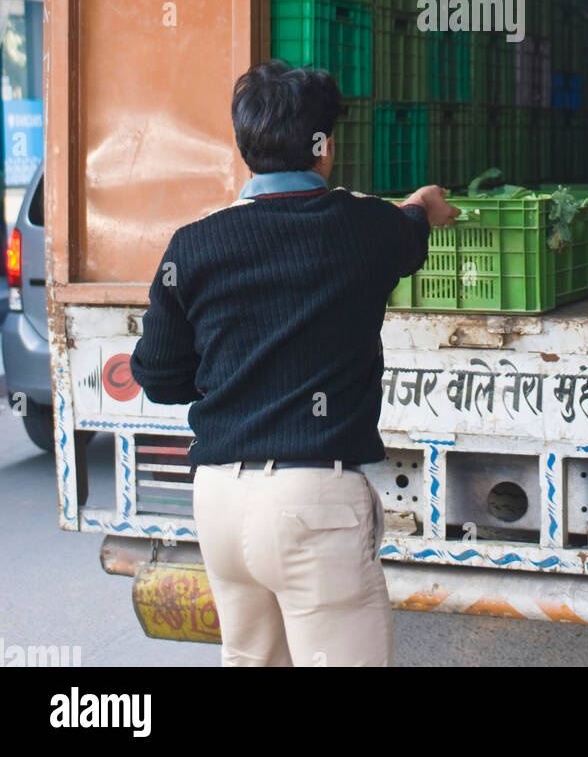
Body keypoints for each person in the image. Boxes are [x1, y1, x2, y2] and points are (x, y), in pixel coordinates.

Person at [129, 60, 459, 668]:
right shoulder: (364, 226)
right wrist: (423, 206)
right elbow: (408, 233)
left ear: (244, 144)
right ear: (325, 146)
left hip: (219, 502)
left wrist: (235, 367)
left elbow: (158, 377)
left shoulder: (192, 244)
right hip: (313, 505)